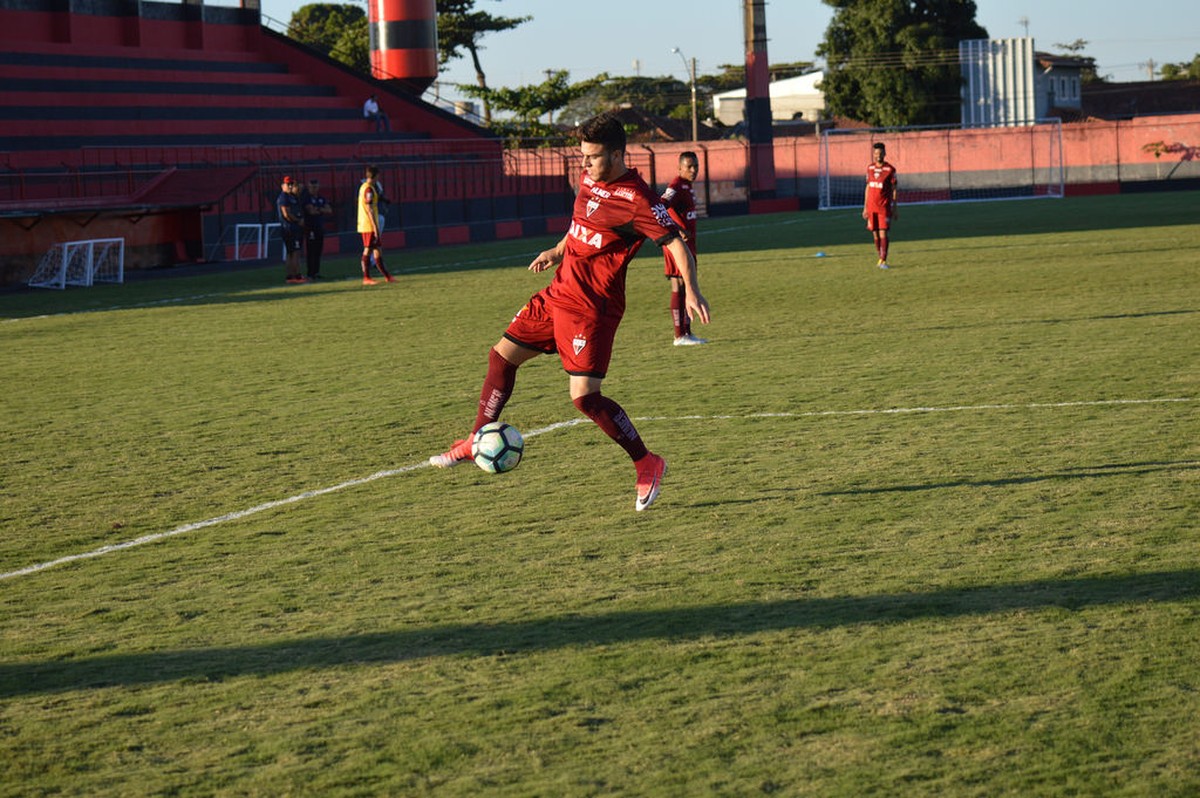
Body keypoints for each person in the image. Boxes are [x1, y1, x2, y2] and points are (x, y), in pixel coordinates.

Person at [428, 112, 711, 512]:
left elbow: (677, 244)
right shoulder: (588, 178)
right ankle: (475, 440)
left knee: (583, 397)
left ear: (616, 155)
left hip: (592, 309)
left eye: (592, 157)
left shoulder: (638, 201)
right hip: (558, 293)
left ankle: (647, 462)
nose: (584, 164)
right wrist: (558, 250)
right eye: (582, 155)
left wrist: (692, 291)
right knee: (500, 356)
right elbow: (580, 221)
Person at [661, 151, 707, 346]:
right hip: (676, 245)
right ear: (679, 168)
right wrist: (678, 230)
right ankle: (680, 335)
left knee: (687, 286)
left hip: (688, 245)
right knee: (679, 285)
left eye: (696, 166)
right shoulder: (676, 186)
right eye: (689, 166)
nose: (694, 170)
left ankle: (687, 332)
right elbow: (661, 205)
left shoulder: (687, 186)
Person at [356, 165, 395, 285]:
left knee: (377, 250)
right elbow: (369, 209)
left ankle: (387, 276)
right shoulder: (368, 189)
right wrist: (374, 226)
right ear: (375, 176)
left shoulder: (366, 187)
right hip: (368, 225)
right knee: (368, 250)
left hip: (369, 224)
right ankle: (366, 277)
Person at [862, 141, 898, 269]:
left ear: (885, 154)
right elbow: (868, 187)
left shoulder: (890, 169)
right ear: (874, 154)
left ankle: (883, 260)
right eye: (876, 153)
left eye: (881, 153)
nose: (878, 155)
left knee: (883, 233)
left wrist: (895, 207)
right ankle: (880, 257)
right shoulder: (870, 168)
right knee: (875, 234)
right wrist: (865, 207)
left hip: (884, 207)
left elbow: (894, 189)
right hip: (871, 207)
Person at [275, 175, 306, 284]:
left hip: (294, 228)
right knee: (294, 252)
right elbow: (286, 214)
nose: (290, 186)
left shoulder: (292, 196)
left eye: (291, 184)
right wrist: (298, 220)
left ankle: (293, 274)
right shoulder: (284, 197)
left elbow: (301, 188)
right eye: (288, 184)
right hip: (290, 228)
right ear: (283, 185)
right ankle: (294, 275)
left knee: (293, 252)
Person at [301, 177, 333, 279]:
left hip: (319, 227)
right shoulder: (306, 198)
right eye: (312, 187)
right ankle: (310, 273)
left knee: (318, 250)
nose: (314, 189)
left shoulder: (321, 198)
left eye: (315, 187)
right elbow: (311, 211)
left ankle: (316, 272)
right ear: (308, 187)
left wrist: (318, 209)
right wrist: (321, 209)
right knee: (311, 250)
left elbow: (329, 210)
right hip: (310, 227)